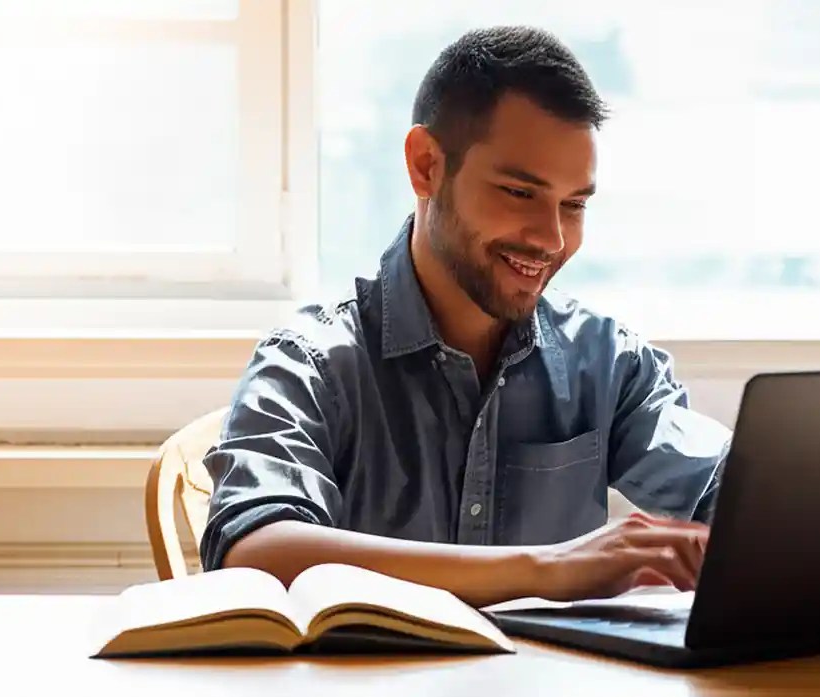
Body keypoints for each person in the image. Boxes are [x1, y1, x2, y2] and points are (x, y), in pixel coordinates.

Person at [199, 26, 732, 608]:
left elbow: (741, 498)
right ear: (426, 165)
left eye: (574, 205)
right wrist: (545, 569)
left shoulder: (608, 364)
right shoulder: (313, 364)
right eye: (519, 193)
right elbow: (252, 549)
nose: (552, 239)